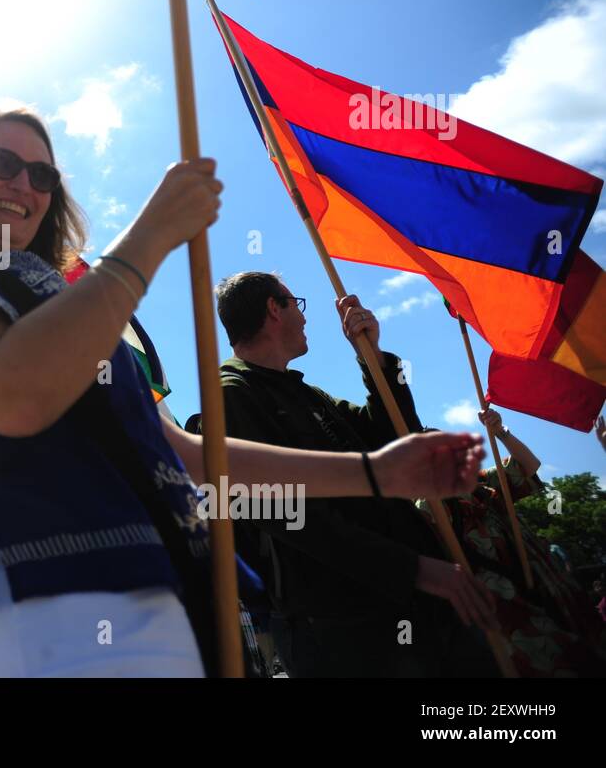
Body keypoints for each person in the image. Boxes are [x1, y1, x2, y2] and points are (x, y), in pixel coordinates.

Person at [0, 105, 486, 677]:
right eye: (2, 163)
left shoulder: (74, 307)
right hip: (40, 594)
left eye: (43, 175)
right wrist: (153, 234)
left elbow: (186, 456)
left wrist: (376, 472)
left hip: (169, 597)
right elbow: (13, 397)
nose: (24, 185)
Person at [212, 270, 498, 677]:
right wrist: (411, 567)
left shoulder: (306, 394)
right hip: (346, 628)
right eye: (298, 304)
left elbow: (395, 436)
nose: (306, 318)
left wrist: (373, 359)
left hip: (413, 606)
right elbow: (287, 515)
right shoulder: (231, 395)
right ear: (274, 310)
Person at [430, 408, 606, 676]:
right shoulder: (430, 506)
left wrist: (500, 431)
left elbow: (529, 465)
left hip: (553, 590)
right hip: (514, 618)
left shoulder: (483, 484)